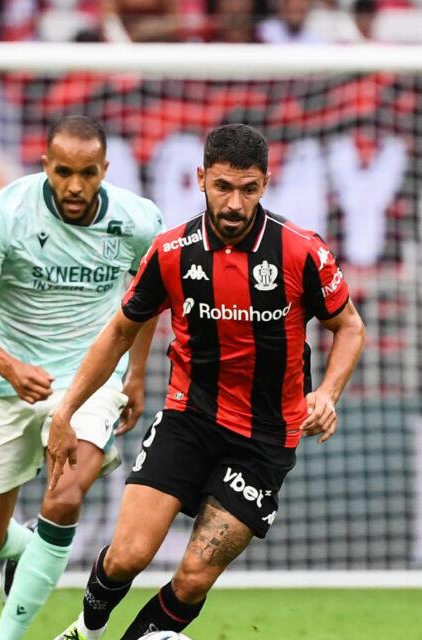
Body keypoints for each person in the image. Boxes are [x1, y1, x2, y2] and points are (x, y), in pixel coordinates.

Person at [48, 124, 367, 639]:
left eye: (248, 188)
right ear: (200, 179)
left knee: (194, 576)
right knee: (127, 555)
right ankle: (87, 629)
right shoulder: (172, 251)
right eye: (223, 186)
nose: (235, 203)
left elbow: (348, 326)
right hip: (188, 418)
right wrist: (66, 410)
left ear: (265, 183)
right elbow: (120, 330)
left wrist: (327, 392)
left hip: (265, 439)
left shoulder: (301, 252)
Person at [0, 115, 163, 640]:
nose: (75, 186)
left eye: (88, 173)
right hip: (9, 381)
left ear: (105, 169)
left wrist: (134, 375)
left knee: (63, 497)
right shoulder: (10, 212)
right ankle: (30, 553)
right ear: (46, 165)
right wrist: (9, 367)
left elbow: (149, 297)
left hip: (89, 380)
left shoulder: (138, 222)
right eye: (63, 172)